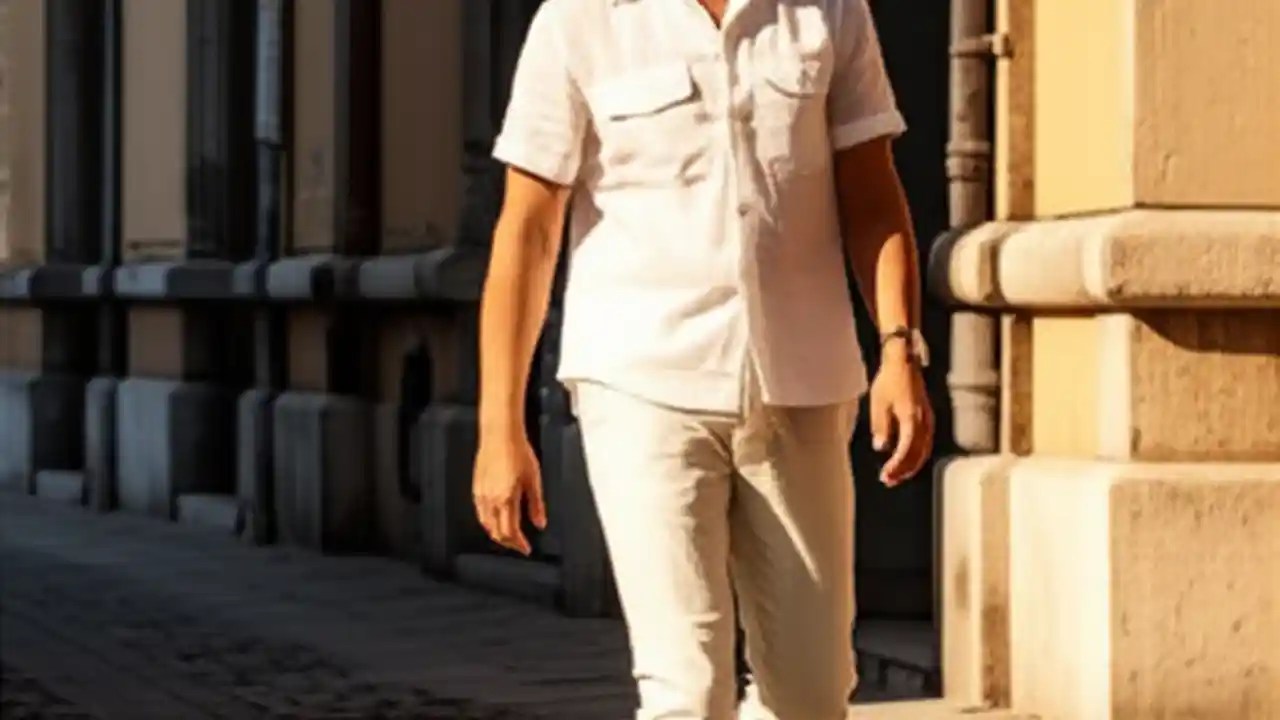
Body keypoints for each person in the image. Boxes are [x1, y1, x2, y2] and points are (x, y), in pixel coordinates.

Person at [472, 0, 934, 717]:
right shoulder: (579, 17)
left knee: (812, 693)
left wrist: (899, 346)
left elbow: (872, 192)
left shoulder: (828, 10)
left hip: (801, 381)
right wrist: (500, 427)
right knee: (686, 688)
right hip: (641, 381)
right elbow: (528, 230)